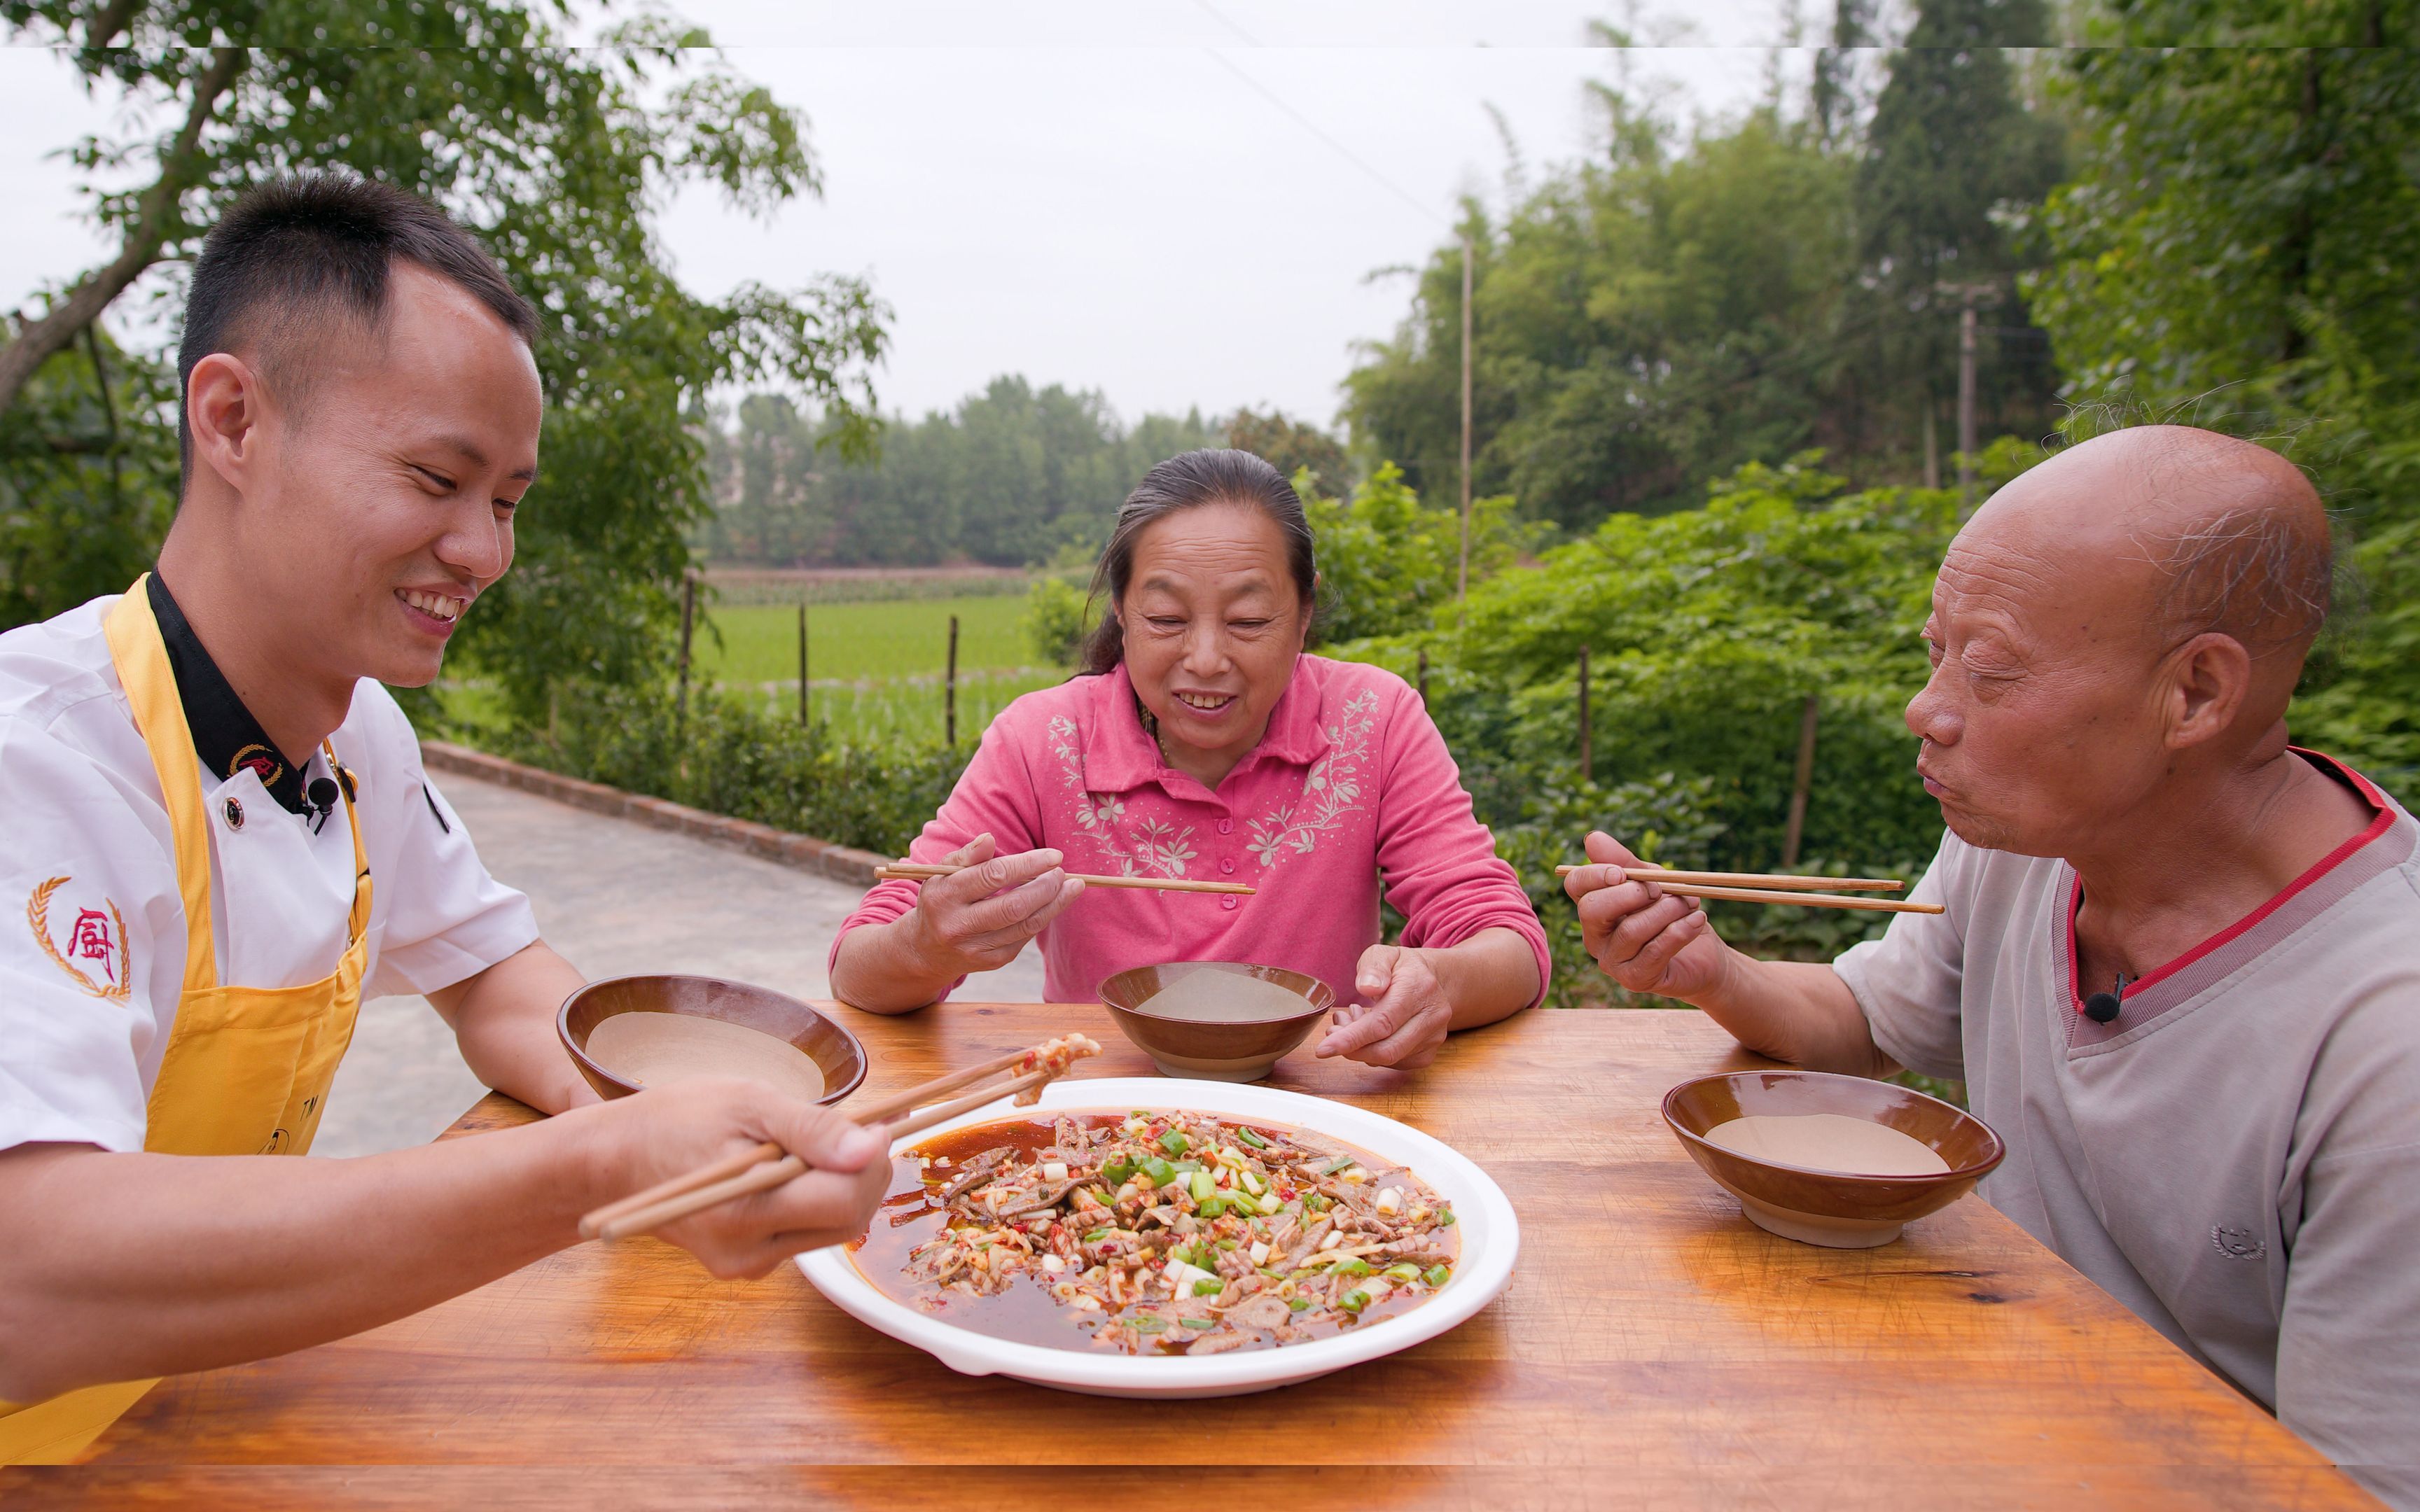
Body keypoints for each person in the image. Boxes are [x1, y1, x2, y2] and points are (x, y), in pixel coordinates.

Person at [0, 176, 889, 1462]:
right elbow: (26, 1277)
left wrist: (649, 1121)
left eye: (509, 501)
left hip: (198, 1423)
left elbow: (500, 977)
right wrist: (595, 1171)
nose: (482, 551)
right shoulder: (41, 761)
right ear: (234, 419)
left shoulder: (357, 736)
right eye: (436, 478)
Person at [1564, 425, 2419, 1505]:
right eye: (1937, 651)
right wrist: (1709, 966)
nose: (1929, 709)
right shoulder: (2029, 840)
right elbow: (1864, 1025)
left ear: (2197, 693)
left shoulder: (2388, 1041)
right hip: (1971, 1407)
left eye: (1993, 669)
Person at [830, 449, 1546, 1067]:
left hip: (1320, 1118)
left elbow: (1507, 943)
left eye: (1249, 621)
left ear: (1304, 612)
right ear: (1120, 609)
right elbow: (857, 970)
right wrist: (928, 943)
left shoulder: (1374, 718)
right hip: (1099, 1130)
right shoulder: (1042, 738)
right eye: (1167, 620)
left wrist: (1438, 984)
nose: (1205, 660)